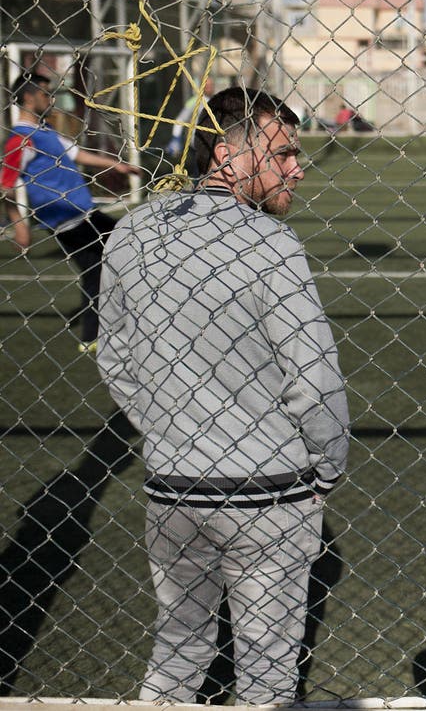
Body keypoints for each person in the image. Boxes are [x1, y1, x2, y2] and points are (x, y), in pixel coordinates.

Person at [97, 87, 350, 705]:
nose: (297, 166)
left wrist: (169, 427)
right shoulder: (272, 244)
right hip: (269, 490)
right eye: (283, 152)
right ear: (226, 155)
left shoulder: (132, 232)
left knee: (178, 645)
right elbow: (313, 378)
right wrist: (328, 467)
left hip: (173, 486)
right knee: (266, 672)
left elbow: (114, 356)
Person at [1, 71, 138, 349]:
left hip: (83, 212)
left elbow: (75, 154)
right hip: (66, 218)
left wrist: (117, 165)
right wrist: (19, 225)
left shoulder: (45, 132)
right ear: (28, 98)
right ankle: (92, 337)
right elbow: (6, 184)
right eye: (45, 93)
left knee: (123, 245)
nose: (50, 99)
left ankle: (109, 322)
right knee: (98, 268)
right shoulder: (22, 138)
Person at [165, 76, 215, 159]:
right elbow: (180, 119)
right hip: (197, 143)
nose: (209, 88)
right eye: (207, 86)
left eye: (211, 85)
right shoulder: (194, 101)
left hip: (213, 143)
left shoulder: (218, 100)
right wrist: (176, 138)